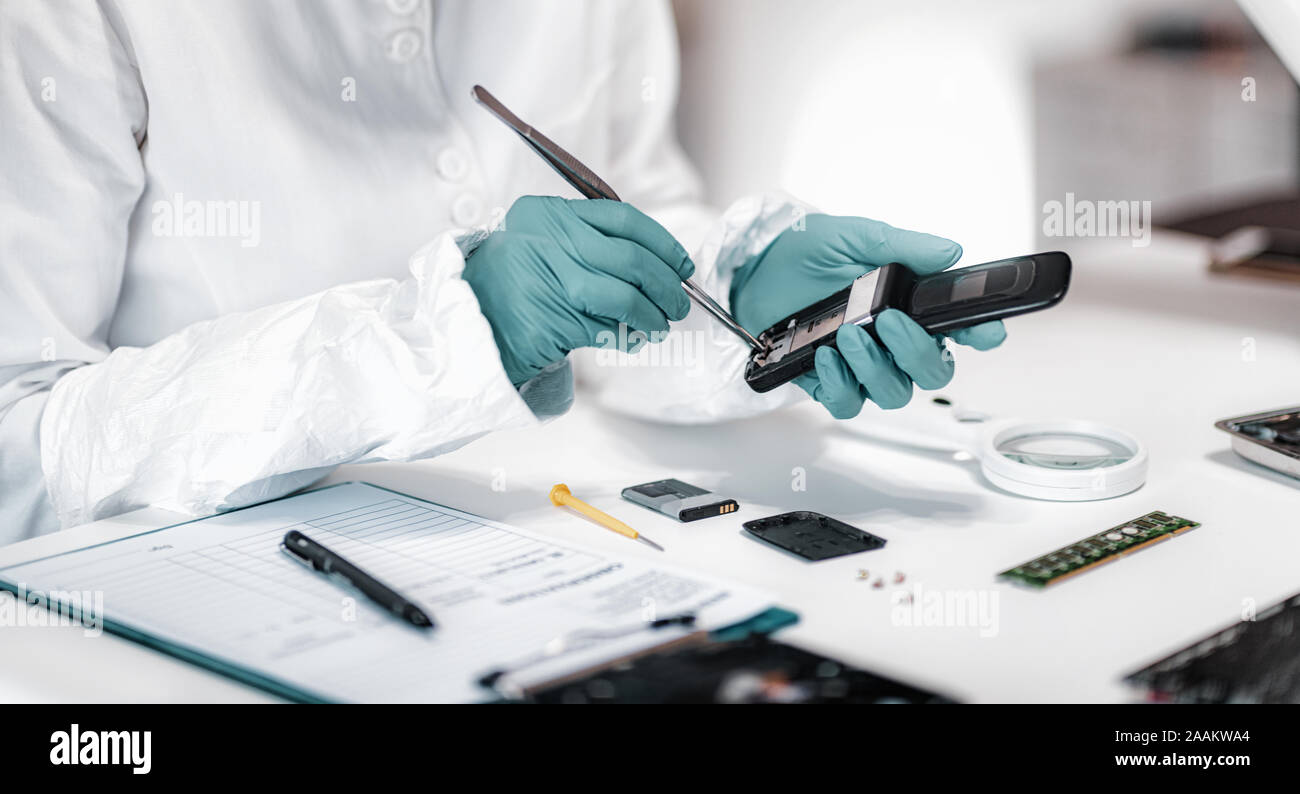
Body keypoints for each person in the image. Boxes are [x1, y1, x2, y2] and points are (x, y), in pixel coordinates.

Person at [0, 0, 1004, 544]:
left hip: (568, 563)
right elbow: (21, 449)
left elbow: (637, 223)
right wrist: (450, 333)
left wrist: (734, 298)